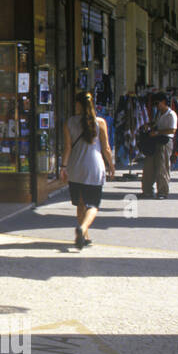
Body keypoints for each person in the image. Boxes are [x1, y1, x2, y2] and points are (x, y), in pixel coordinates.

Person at [61, 90, 116, 248]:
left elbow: (67, 147)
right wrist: (111, 165)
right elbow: (106, 147)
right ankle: (83, 228)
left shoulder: (70, 122)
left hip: (75, 167)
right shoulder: (100, 122)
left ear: (78, 105)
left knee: (80, 203)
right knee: (93, 204)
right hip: (94, 167)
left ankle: (84, 235)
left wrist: (63, 167)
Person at [141, 92, 177, 199]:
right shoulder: (159, 113)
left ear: (164, 102)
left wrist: (157, 132)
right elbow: (156, 124)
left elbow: (172, 130)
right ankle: (147, 190)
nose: (156, 106)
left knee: (162, 167)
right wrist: (150, 125)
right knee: (149, 167)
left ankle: (162, 191)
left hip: (165, 142)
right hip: (154, 141)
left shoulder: (171, 114)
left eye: (158, 103)